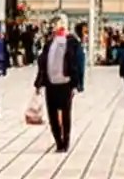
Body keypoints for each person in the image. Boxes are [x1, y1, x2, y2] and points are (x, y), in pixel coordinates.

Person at [35, 14, 85, 152]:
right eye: (54, 24)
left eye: (58, 24)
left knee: (65, 113)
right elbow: (42, 63)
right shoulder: (49, 43)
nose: (55, 27)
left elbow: (78, 63)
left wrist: (77, 83)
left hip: (65, 83)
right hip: (50, 83)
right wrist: (39, 82)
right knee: (52, 114)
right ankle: (58, 141)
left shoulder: (72, 42)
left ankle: (65, 141)